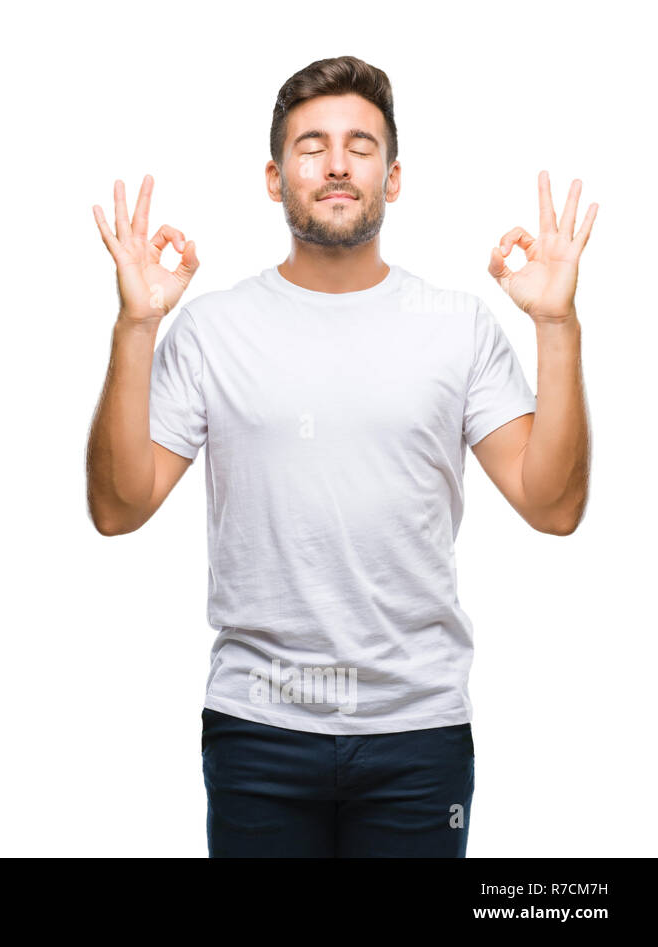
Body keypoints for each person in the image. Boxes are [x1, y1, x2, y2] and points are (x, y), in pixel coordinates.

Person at [85, 55, 593, 857]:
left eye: (360, 145)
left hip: (418, 734)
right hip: (259, 729)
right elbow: (118, 508)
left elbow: (553, 505)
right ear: (274, 174)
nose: (335, 163)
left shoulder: (455, 325)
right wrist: (136, 329)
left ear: (392, 178)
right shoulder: (213, 328)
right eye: (311, 144)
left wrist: (557, 328)